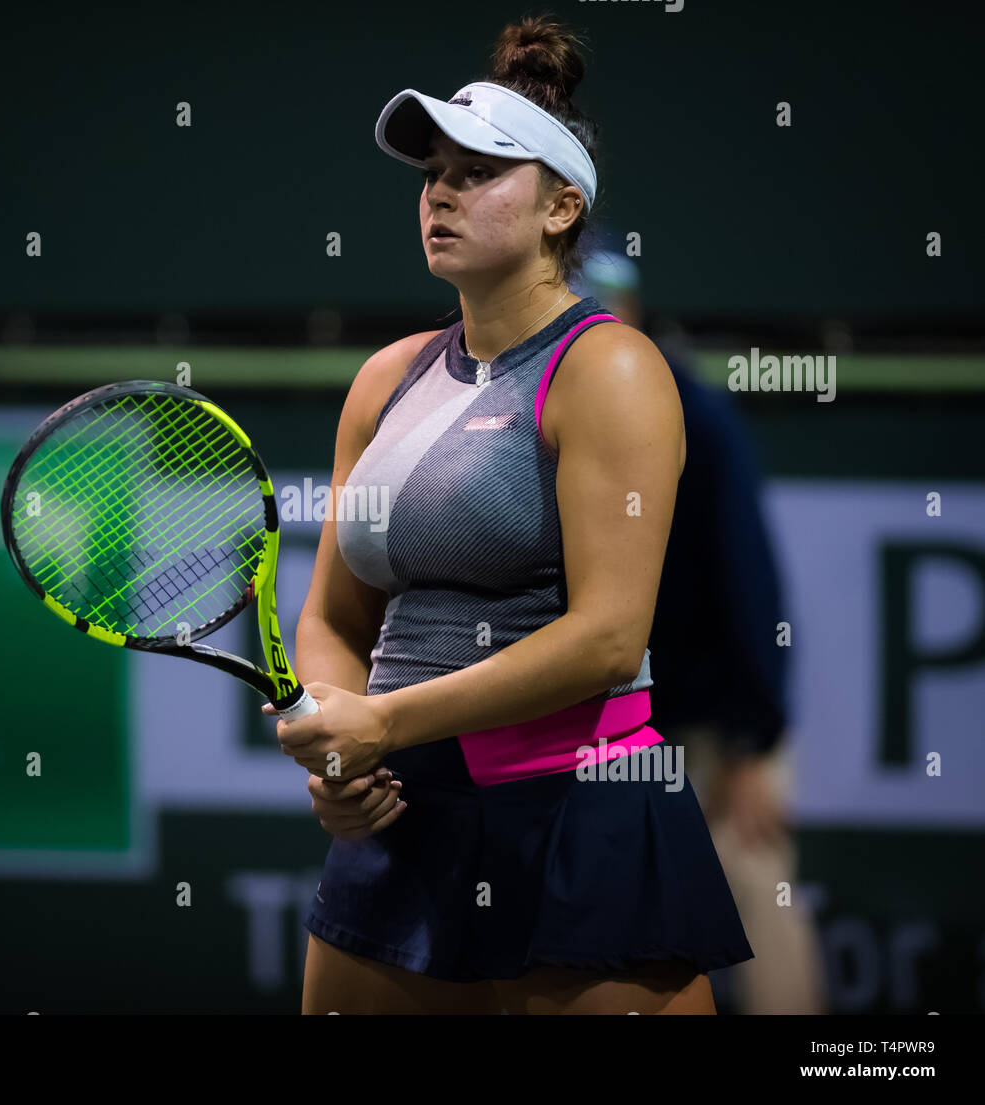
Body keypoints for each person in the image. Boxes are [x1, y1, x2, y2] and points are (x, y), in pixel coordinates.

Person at [264, 16, 753, 1014]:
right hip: (400, 818)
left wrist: (381, 721)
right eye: (431, 172)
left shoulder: (610, 368)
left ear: (559, 206)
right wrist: (334, 739)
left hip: (575, 815)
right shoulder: (382, 381)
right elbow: (335, 616)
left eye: (480, 171)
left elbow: (609, 640)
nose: (440, 191)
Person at [573, 244, 827, 1015]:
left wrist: (754, 744)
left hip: (721, 732)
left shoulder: (700, 425)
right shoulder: (552, 421)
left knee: (754, 889)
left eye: (607, 312)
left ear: (636, 318)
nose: (593, 328)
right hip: (622, 728)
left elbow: (751, 588)